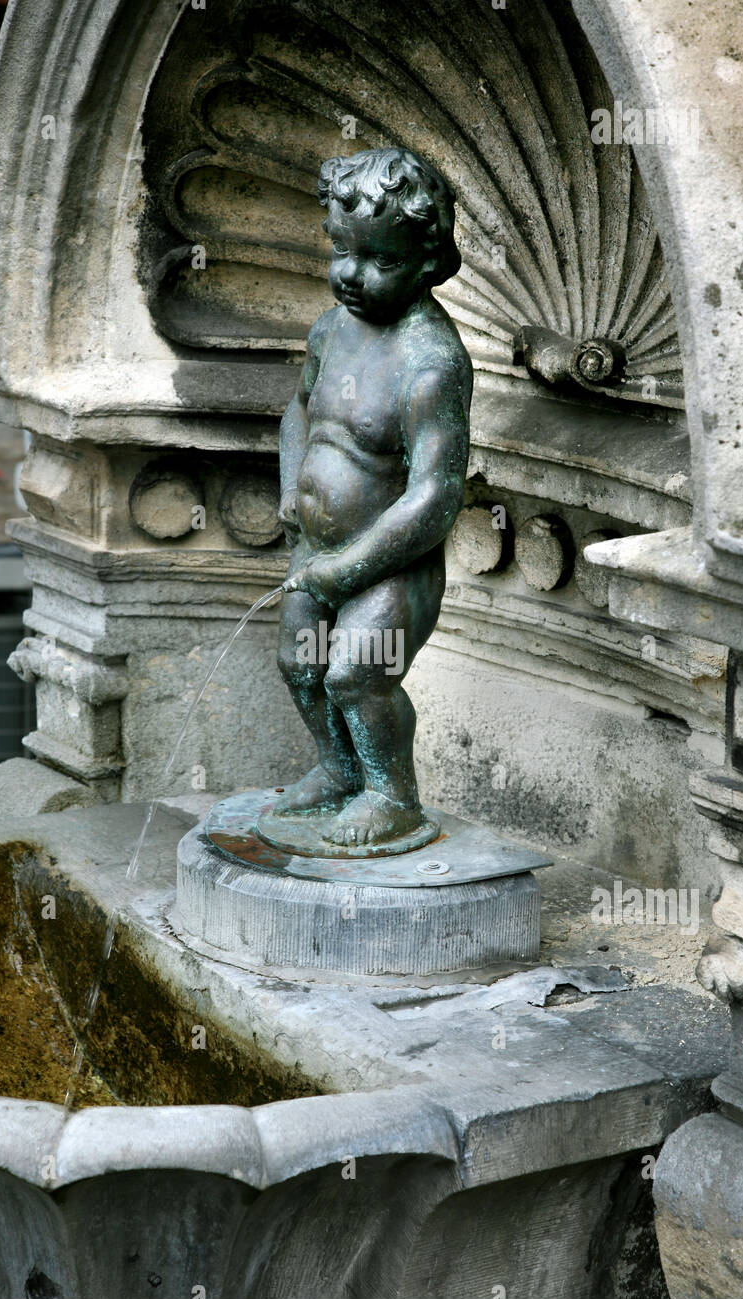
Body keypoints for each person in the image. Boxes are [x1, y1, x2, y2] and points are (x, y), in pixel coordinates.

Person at [274, 146, 472, 849]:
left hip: (389, 563)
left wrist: (353, 565)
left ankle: (392, 796)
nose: (352, 276)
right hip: (315, 548)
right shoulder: (330, 331)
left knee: (358, 672)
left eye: (380, 262)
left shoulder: (428, 362)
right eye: (342, 253)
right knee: (300, 662)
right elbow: (298, 411)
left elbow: (434, 495)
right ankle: (337, 772)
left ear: (427, 264)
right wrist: (289, 488)